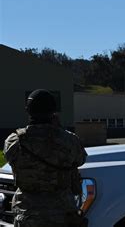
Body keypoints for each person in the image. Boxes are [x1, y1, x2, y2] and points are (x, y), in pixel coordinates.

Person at [3, 89, 88, 227]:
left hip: (28, 214)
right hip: (62, 214)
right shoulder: (69, 141)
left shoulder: (14, 141)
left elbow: (10, 158)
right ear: (53, 112)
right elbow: (81, 159)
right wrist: (59, 130)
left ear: (28, 110)